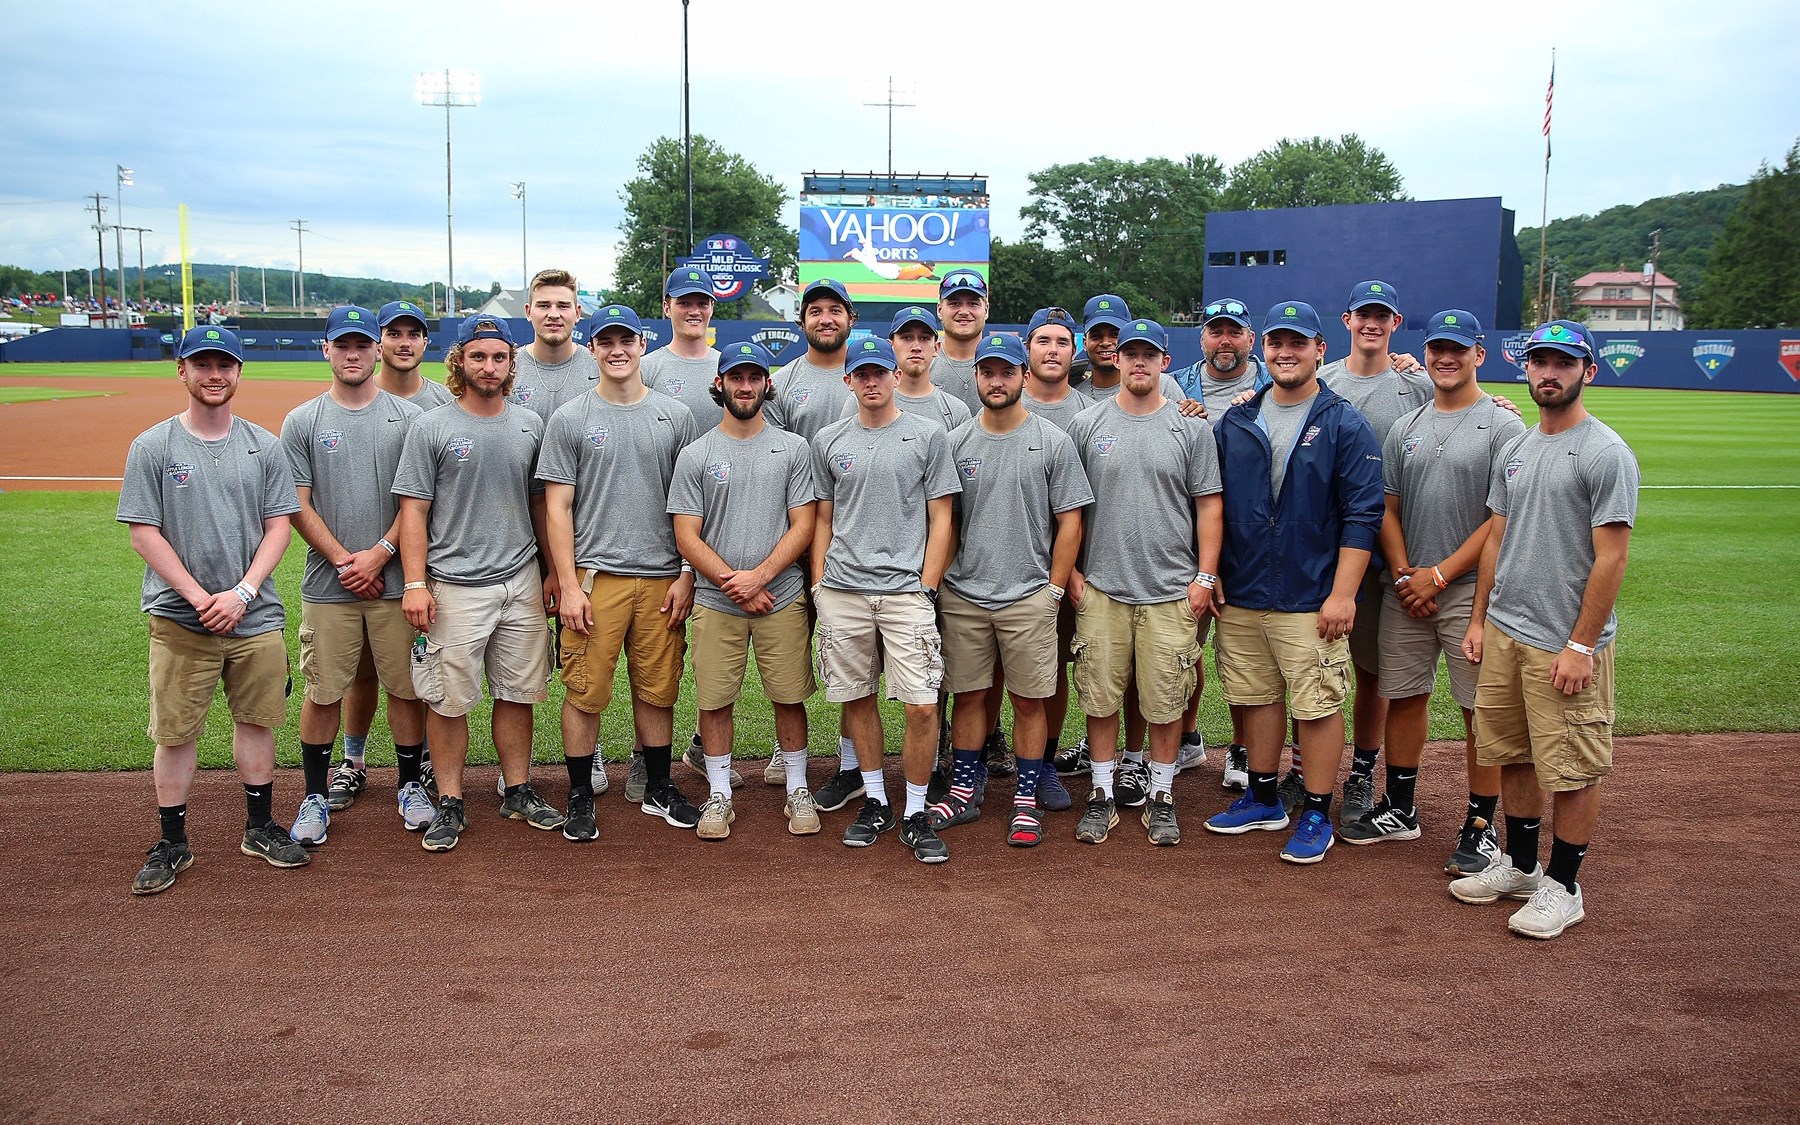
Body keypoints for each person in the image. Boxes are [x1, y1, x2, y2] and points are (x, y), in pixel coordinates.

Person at [1451, 319, 1638, 939]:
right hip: (1507, 629)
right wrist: (1479, 619)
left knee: (1575, 768)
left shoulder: (1605, 452)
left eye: (1562, 363)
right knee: (1513, 754)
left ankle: (1565, 885)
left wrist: (1581, 644)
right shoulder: (1519, 447)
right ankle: (1524, 867)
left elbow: (1611, 556)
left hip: (1564, 639)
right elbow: (1497, 537)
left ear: (1588, 370)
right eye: (1539, 362)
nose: (1548, 373)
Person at [120, 325, 307, 894]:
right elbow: (143, 532)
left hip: (254, 616)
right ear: (182, 371)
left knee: (257, 722)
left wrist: (243, 592)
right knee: (175, 733)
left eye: (224, 364)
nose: (214, 375)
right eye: (202, 365)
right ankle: (173, 841)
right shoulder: (154, 446)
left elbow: (280, 527)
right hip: (181, 619)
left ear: (238, 372)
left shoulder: (262, 445)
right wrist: (201, 598)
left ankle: (259, 827)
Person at [1339, 311, 1525, 871]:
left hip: (1471, 590)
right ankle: (1400, 808)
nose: (1447, 358)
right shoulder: (1407, 424)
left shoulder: (1503, 426)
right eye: (1438, 349)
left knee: (1479, 709)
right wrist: (1403, 574)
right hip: (1407, 586)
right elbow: (1386, 506)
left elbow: (1500, 519)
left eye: (1458, 349)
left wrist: (1439, 575)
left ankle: (1480, 824)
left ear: (1479, 354)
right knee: (1404, 694)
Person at [1203, 301, 1384, 864]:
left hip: (1312, 593)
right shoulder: (1237, 419)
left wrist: (1343, 593)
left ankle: (1314, 810)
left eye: (1298, 343)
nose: (1286, 352)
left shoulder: (1343, 421)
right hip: (1246, 585)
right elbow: (1213, 505)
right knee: (1255, 698)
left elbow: (1363, 514)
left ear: (1319, 350)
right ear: (1265, 349)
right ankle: (1262, 797)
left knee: (1317, 703)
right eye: (1278, 343)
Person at [393, 314, 563, 852]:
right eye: (478, 357)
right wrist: (415, 582)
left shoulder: (530, 424)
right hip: (455, 585)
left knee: (518, 694)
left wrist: (555, 569)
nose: (489, 367)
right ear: (460, 362)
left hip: (520, 581)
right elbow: (413, 512)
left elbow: (542, 502)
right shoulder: (433, 426)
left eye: (499, 358)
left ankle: (517, 789)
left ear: (512, 365)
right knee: (449, 700)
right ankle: (450, 800)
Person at [539, 304, 700, 841]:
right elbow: (557, 507)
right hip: (596, 577)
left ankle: (657, 786)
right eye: (605, 341)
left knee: (658, 688)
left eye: (625, 340)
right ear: (592, 347)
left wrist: (686, 573)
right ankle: (580, 792)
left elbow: (689, 506)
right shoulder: (571, 418)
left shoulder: (674, 417)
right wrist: (566, 584)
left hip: (660, 577)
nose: (616, 350)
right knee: (584, 690)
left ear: (641, 343)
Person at [1066, 319, 1222, 846]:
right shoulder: (1087, 425)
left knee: (1165, 701)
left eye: (1147, 354)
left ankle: (1160, 793)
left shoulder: (1191, 428)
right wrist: (1071, 574)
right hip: (1103, 588)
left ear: (1163, 361)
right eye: (1129, 353)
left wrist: (1204, 576)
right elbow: (1067, 510)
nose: (1137, 362)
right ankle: (1102, 794)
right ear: (1117, 360)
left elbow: (1209, 506)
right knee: (1101, 697)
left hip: (1171, 589)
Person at [932, 333, 1092, 847]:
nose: (996, 381)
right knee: (970, 696)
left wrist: (1053, 589)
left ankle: (1024, 797)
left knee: (1029, 700)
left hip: (1028, 594)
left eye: (1006, 372)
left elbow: (1071, 521)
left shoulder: (1052, 440)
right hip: (966, 594)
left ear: (1023, 375)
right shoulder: (956, 442)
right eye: (987, 372)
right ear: (976, 376)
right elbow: (944, 523)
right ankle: (963, 790)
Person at [280, 306, 431, 847]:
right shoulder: (303, 420)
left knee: (406, 689)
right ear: (326, 349)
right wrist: (349, 560)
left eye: (362, 345)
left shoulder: (409, 419)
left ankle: (411, 786)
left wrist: (382, 553)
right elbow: (296, 503)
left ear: (376, 350)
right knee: (324, 690)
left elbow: (418, 501)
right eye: (342, 345)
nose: (352, 354)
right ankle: (315, 795)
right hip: (330, 585)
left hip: (395, 582)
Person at [811, 337, 962, 862]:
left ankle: (916, 808)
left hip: (905, 591)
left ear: (896, 376)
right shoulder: (828, 439)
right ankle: (875, 800)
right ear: (848, 380)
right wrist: (818, 584)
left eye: (880, 371)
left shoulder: (927, 435)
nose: (872, 381)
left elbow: (942, 515)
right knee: (858, 699)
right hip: (843, 589)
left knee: (922, 706)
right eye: (862, 373)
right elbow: (823, 519)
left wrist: (927, 582)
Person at [668, 342, 820, 838]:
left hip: (781, 596)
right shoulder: (697, 453)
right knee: (714, 699)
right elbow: (686, 534)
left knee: (788, 695)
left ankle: (797, 788)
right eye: (737, 377)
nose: (746, 386)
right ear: (720, 384)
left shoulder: (793, 448)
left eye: (755, 377)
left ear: (767, 385)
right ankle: (719, 794)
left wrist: (759, 577)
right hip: (717, 601)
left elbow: (805, 524)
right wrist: (735, 583)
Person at [1313, 280, 1431, 824]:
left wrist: (1499, 402)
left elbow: (1461, 403)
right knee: (1309, 662)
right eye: (1364, 315)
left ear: (1395, 323)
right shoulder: (1322, 380)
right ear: (1346, 319)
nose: (1372, 325)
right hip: (1324, 547)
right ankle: (1303, 769)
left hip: (1391, 550)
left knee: (1374, 671)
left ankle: (1362, 769)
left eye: (1382, 316)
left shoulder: (1416, 385)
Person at [767, 278, 864, 812]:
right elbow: (776, 461)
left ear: (850, 317)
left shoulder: (871, 373)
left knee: (853, 660)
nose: (825, 318)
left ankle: (851, 761)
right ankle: (791, 753)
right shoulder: (782, 382)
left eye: (835, 310)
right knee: (786, 650)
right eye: (815, 311)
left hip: (864, 541)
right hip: (797, 539)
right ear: (802, 321)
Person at [1173, 297, 1271, 791]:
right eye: (1216, 331)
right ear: (1203, 337)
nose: (1225, 341)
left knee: (1240, 652)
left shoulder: (1275, 383)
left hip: (1252, 539)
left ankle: (1241, 747)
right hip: (1183, 533)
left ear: (1251, 339)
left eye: (1235, 332)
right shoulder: (1179, 385)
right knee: (1181, 648)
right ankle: (1188, 738)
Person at [1016, 305, 1093, 815]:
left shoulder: (1086, 415)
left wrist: (1069, 574)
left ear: (1073, 351)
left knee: (1052, 671)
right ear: (1027, 351)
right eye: (1042, 340)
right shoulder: (993, 398)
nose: (1052, 349)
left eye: (1062, 342)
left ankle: (1043, 760)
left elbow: (1085, 506)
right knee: (990, 674)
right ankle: (981, 758)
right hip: (999, 567)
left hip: (1066, 571)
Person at [510, 268, 601, 423]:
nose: (553, 314)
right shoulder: (507, 368)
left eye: (563, 306)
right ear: (528, 311)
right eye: (544, 305)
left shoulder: (599, 368)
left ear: (578, 313)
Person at [643, 266, 725, 432]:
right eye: (684, 303)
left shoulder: (728, 367)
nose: (694, 311)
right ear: (667, 308)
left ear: (712, 308)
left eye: (702, 304)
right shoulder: (645, 369)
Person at [931, 269, 990, 413]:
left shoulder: (1003, 365)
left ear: (986, 310)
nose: (964, 311)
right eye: (955, 303)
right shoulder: (923, 364)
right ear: (939, 310)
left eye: (973, 304)